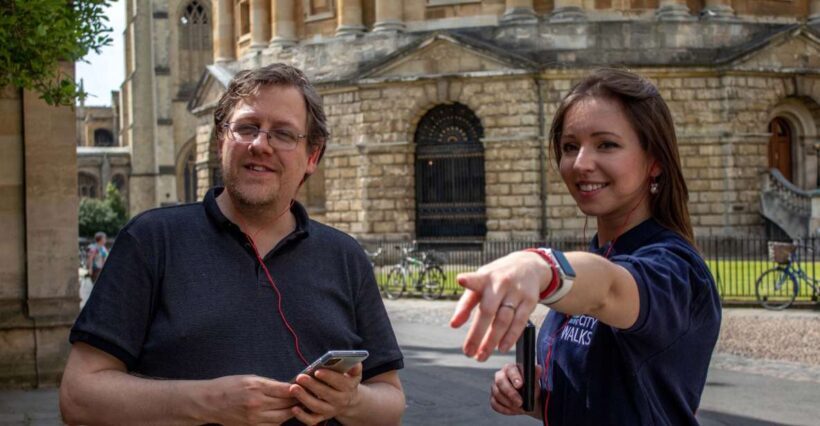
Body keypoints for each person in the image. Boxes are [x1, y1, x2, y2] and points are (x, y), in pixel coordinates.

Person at [60, 63, 405, 425]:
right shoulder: (151, 240)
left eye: (284, 134)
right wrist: (208, 401)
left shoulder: (345, 256)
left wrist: (349, 402)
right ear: (221, 140)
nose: (260, 145)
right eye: (246, 128)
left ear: (312, 157)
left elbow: (391, 400)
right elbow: (78, 397)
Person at [449, 68, 721, 425]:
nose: (580, 164)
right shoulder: (594, 257)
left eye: (606, 144)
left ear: (655, 161)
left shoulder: (673, 267)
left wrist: (539, 264)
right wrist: (535, 398)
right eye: (569, 147)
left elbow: (608, 289)